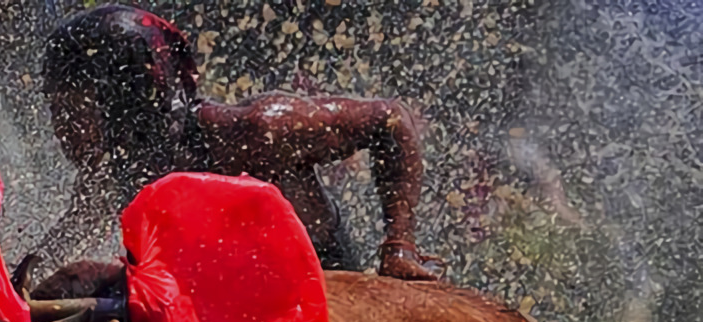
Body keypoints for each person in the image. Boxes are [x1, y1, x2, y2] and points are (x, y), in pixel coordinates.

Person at [32, 4, 442, 280]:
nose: (59, 128)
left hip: (330, 296)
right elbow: (66, 238)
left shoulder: (255, 131)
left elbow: (391, 119)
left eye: (68, 109)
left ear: (122, 101)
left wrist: (399, 246)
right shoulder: (122, 169)